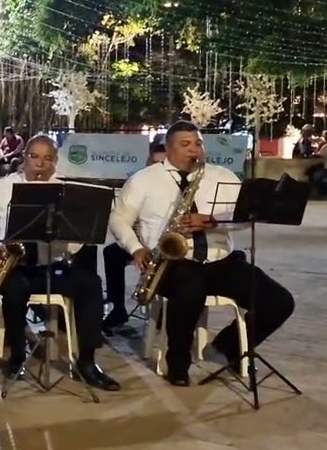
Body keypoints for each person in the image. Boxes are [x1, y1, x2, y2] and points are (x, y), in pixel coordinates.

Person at [110, 121, 296, 387]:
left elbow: (245, 219)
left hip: (221, 260)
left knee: (279, 301)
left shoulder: (223, 176)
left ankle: (229, 345)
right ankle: (178, 364)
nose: (193, 150)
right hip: (170, 262)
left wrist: (212, 221)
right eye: (185, 145)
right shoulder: (144, 180)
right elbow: (119, 219)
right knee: (190, 288)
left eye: (197, 143)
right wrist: (136, 248)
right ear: (169, 148)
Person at [0, 134, 121, 391]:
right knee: (15, 291)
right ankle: (17, 355)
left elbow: (77, 244)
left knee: (91, 285)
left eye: (47, 158)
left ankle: (87, 361)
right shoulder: (5, 186)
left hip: (53, 266)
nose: (40, 164)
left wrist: (66, 235)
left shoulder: (65, 191)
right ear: (24, 158)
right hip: (16, 266)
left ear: (55, 162)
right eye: (34, 157)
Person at [77, 138, 167, 331]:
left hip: (169, 246)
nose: (157, 168)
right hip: (143, 243)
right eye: (153, 163)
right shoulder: (141, 183)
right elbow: (121, 221)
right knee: (112, 253)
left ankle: (163, 311)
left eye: (162, 164)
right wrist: (135, 242)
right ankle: (118, 308)